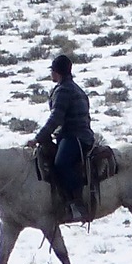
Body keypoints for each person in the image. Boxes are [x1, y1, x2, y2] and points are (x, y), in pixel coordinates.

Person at [28, 54, 94, 221]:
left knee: (61, 163)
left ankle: (77, 203)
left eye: (53, 71)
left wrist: (38, 138)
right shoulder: (76, 88)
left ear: (57, 72)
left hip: (75, 137)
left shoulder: (64, 90)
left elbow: (56, 118)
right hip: (79, 135)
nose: (51, 74)